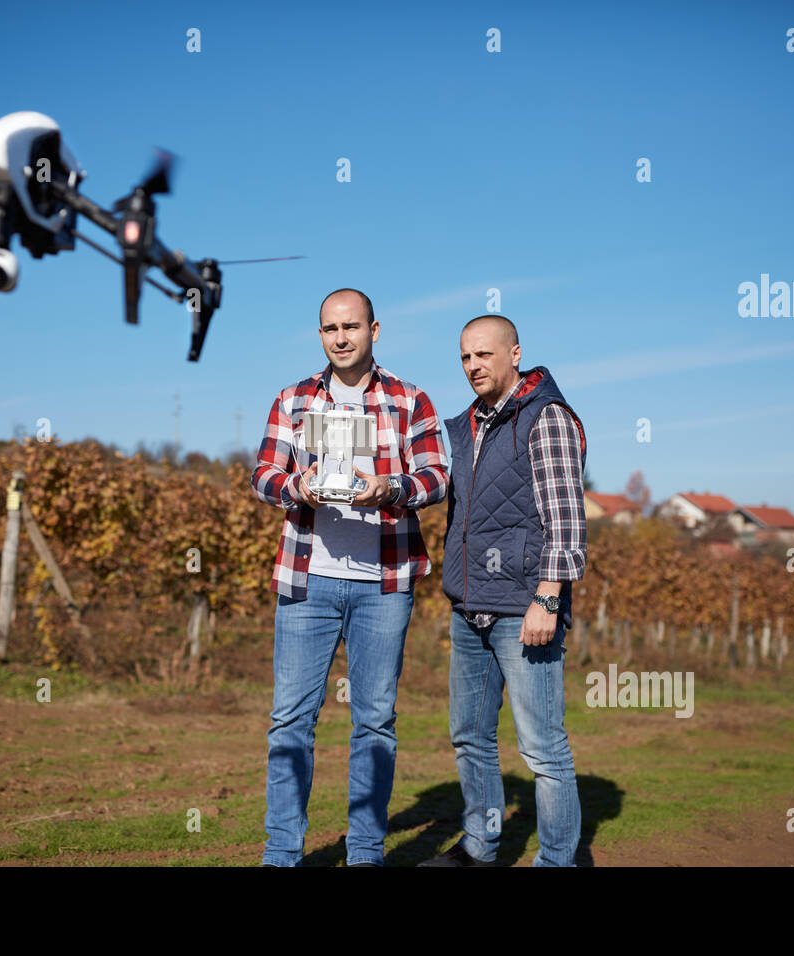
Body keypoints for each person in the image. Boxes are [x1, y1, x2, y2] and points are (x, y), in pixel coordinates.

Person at [250, 288, 450, 867]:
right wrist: (296, 487)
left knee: (375, 724)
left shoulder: (411, 400)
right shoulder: (293, 400)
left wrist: (391, 488)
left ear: (375, 330)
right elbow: (263, 474)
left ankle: (365, 855)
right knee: (289, 721)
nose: (341, 337)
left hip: (384, 584)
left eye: (352, 327)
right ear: (320, 335)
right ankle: (281, 855)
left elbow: (438, 477)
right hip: (307, 582)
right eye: (331, 328)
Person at [419, 313, 588, 868]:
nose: (473, 366)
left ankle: (557, 861)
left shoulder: (547, 417)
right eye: (465, 357)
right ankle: (479, 847)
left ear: (514, 354)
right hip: (469, 610)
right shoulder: (463, 426)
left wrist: (547, 597)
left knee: (542, 749)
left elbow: (565, 520)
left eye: (484, 355)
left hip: (523, 610)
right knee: (470, 738)